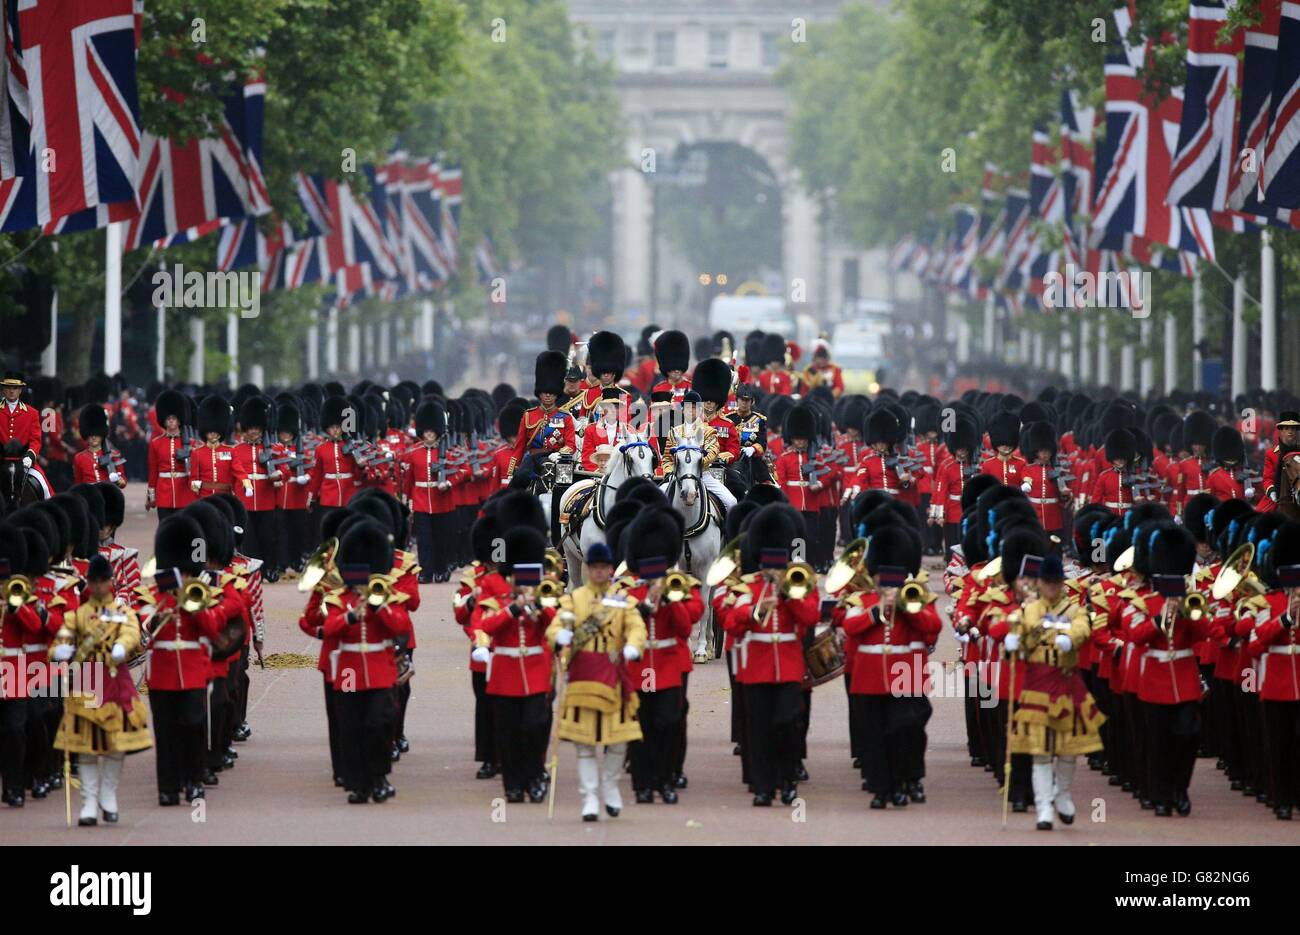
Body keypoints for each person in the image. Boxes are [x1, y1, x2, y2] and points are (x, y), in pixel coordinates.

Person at [721, 503, 819, 805]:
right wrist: (754, 610)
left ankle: (788, 780)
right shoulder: (748, 588)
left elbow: (810, 617)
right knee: (760, 730)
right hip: (755, 668)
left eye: (778, 566)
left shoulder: (799, 585)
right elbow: (731, 623)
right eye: (769, 566)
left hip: (788, 667)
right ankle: (764, 787)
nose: (773, 571)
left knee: (788, 724)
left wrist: (788, 594)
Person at [838, 525, 941, 808]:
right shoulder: (863, 600)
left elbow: (933, 626)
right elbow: (850, 625)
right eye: (883, 580)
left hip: (904, 677)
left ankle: (906, 781)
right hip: (869, 678)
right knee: (874, 737)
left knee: (905, 729)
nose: (888, 585)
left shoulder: (915, 599)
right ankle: (882, 789)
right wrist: (877, 611)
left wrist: (908, 610)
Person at [1000, 552, 1104, 830]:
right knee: (1041, 750)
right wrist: (1011, 642)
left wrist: (1071, 639)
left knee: (1068, 749)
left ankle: (1063, 794)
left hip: (1067, 681)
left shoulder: (1074, 610)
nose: (1052, 588)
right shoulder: (1030, 609)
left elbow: (1083, 628)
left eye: (1056, 583)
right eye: (1047, 583)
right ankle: (1043, 806)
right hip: (1038, 684)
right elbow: (1018, 634)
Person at [51, 554, 153, 825]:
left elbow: (132, 631)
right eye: (93, 582)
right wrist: (59, 649)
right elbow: (63, 635)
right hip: (87, 682)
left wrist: (123, 645)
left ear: (110, 582)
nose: (97, 587)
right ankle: (88, 802)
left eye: (102, 582)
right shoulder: (77, 615)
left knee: (115, 745)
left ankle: (108, 795)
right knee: (85, 747)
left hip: (114, 683)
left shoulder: (122, 612)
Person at [549, 542, 648, 820]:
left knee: (618, 741)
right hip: (583, 676)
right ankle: (590, 797)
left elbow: (636, 625)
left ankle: (610, 785)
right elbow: (558, 623)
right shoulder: (574, 598)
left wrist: (633, 645)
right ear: (588, 569)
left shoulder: (622, 600)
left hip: (613, 675)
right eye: (595, 568)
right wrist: (559, 635)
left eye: (604, 568)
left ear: (610, 569)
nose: (600, 573)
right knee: (584, 744)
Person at [323, 520, 412, 804]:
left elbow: (400, 625)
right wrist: (350, 616)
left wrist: (377, 606)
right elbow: (329, 628)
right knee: (351, 725)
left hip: (380, 667)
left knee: (380, 722)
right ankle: (359, 783)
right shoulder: (339, 599)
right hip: (349, 670)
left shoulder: (385, 595)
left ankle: (379, 777)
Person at [620, 510, 703, 805]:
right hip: (642, 666)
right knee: (641, 725)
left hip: (670, 663)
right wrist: (644, 606)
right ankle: (642, 784)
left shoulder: (683, 588)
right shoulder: (627, 591)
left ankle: (666, 779)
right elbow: (617, 624)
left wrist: (668, 600)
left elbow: (685, 627)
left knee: (668, 723)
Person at [474, 526, 556, 804]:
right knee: (508, 733)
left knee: (534, 727)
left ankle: (534, 778)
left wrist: (538, 607)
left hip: (535, 672)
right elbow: (487, 625)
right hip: (505, 674)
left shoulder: (542, 595)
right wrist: (513, 608)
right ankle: (513, 784)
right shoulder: (497, 596)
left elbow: (554, 624)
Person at [233, 397, 283, 582]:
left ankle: (270, 567)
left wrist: (278, 475)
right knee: (249, 539)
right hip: (245, 499)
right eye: (250, 428)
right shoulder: (237, 450)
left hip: (266, 498)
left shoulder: (273, 448)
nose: (253, 432)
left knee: (268, 537)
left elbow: (283, 470)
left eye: (257, 428)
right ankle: (255, 571)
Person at [661, 390, 736, 510]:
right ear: (683, 409)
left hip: (702, 475)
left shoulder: (709, 431)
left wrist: (692, 466)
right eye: (688, 407)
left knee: (731, 502)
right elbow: (667, 458)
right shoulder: (674, 432)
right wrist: (670, 472)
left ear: (700, 409)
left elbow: (712, 453)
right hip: (678, 476)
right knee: (656, 498)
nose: (691, 410)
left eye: (694, 407)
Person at [0, 371, 53, 498]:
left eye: (15, 388)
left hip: (24, 461)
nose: (11, 391)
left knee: (46, 490)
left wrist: (30, 455)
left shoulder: (32, 413)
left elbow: (35, 439)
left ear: (20, 390)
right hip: (1, 460)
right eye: (8, 388)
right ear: (3, 390)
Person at [146, 389, 195, 520]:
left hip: (184, 492)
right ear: (163, 421)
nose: (171, 421)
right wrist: (151, 495)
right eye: (168, 419)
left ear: (179, 421)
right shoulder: (156, 443)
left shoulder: (191, 443)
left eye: (174, 418)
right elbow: (153, 471)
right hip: (164, 493)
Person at [72, 403, 127, 489]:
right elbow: (78, 485)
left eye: (97, 434)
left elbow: (123, 483)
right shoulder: (79, 458)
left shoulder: (114, 454)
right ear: (86, 434)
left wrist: (118, 480)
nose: (94, 437)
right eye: (90, 434)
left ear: (102, 433)